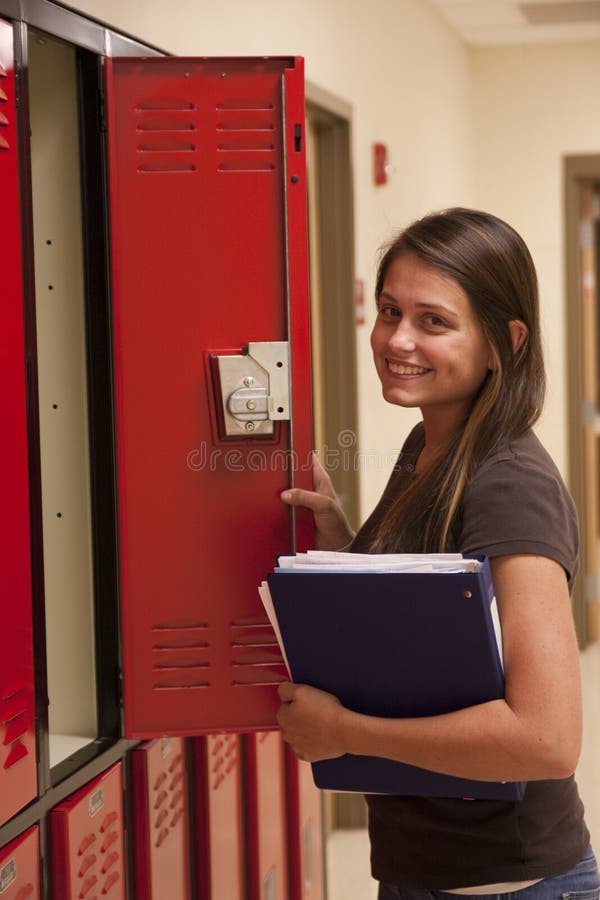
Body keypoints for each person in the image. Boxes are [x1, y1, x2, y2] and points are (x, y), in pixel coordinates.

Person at [278, 208, 597, 899]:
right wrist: (338, 533)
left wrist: (347, 732)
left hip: (511, 883)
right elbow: (429, 618)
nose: (397, 339)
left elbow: (546, 738)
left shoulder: (509, 482)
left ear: (502, 343)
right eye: (390, 310)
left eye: (434, 321)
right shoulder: (430, 446)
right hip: (424, 867)